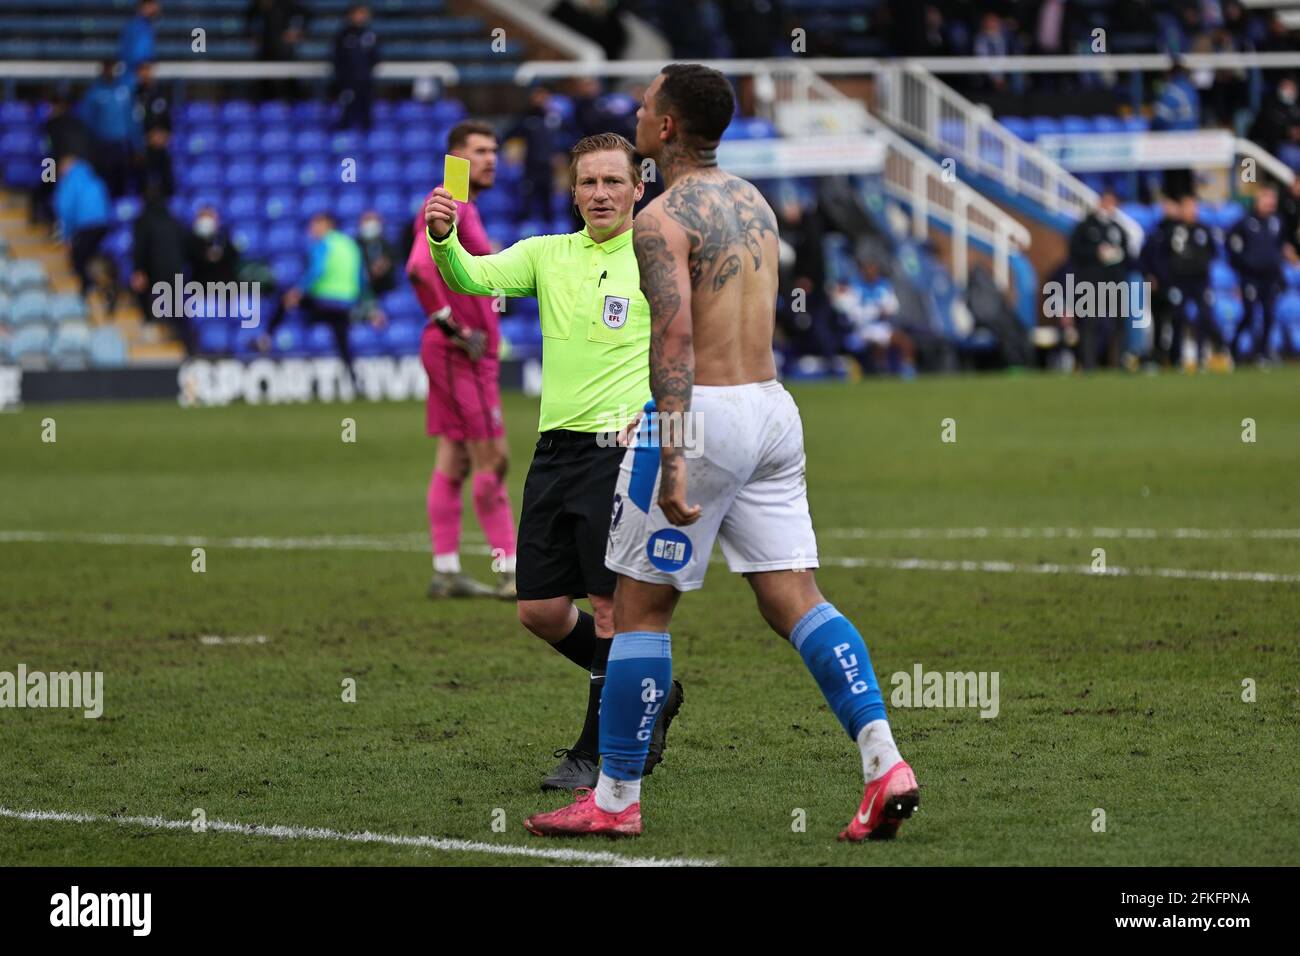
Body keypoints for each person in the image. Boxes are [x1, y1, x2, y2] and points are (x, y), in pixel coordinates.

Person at [524, 64, 917, 841]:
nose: (637, 112)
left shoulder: (659, 219)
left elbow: (673, 338)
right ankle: (884, 763)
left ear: (665, 127)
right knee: (794, 597)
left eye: (644, 106)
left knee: (639, 609)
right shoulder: (755, 203)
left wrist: (672, 455)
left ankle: (612, 803)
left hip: (703, 416)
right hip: (773, 409)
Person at [423, 131, 684, 792]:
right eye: (588, 183)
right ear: (573, 192)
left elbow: (688, 347)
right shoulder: (546, 253)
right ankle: (650, 690)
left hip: (618, 449)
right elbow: (473, 278)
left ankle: (593, 751)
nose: (599, 194)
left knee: (607, 608)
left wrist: (660, 413)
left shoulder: (657, 258)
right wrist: (444, 238)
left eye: (612, 182)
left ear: (637, 189)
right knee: (538, 609)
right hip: (556, 448)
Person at [406, 123, 516, 600]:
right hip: (459, 354)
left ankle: (447, 572)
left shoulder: (461, 205)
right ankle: (512, 569)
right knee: (494, 458)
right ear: (457, 158)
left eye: (494, 150)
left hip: (463, 354)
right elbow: (417, 267)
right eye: (480, 151)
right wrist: (454, 326)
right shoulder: (448, 202)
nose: (492, 158)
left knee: (454, 463)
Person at [260, 213, 366, 385]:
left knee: (284, 301)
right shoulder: (351, 244)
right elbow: (361, 276)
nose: (312, 229)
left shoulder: (324, 244)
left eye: (316, 225)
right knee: (343, 341)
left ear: (327, 225)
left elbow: (317, 270)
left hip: (323, 300)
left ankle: (266, 337)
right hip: (345, 303)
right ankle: (354, 380)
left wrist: (297, 291)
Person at [1163, 196, 1229, 372]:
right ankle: (1176, 359)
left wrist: (1200, 263)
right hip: (1179, 281)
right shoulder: (1173, 230)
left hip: (1200, 281)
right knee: (1177, 318)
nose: (1191, 211)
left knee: (1204, 317)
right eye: (1187, 208)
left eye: (1194, 208)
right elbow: (1165, 254)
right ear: (1181, 210)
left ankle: (1201, 358)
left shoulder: (1204, 230)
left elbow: (1214, 252)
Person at [1068, 188, 1132, 369]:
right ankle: (1088, 364)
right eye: (1106, 202)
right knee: (1089, 323)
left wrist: (1117, 254)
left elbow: (1128, 254)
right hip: (1091, 283)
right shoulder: (1085, 227)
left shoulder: (1118, 228)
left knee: (1118, 323)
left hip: (1114, 282)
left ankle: (1119, 362)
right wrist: (1096, 253)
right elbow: (1075, 252)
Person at [829, 256, 917, 378]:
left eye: (873, 269)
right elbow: (851, 312)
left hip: (880, 327)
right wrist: (872, 312)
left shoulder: (884, 285)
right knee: (877, 344)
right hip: (862, 328)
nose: (870, 272)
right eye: (868, 269)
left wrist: (882, 313)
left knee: (905, 341)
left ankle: (907, 370)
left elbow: (892, 307)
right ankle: (880, 370)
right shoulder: (854, 287)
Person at [1226, 187, 1286, 363]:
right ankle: (1234, 348)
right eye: (1266, 199)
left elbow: (1279, 246)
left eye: (1272, 200)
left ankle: (1264, 352)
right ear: (1258, 201)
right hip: (1250, 277)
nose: (1270, 204)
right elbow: (1232, 247)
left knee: (1269, 314)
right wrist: (1243, 266)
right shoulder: (1244, 223)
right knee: (1249, 314)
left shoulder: (1277, 222)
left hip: (1270, 276)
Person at [131, 184, 193, 353]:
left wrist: (139, 269)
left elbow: (141, 247)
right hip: (176, 268)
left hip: (154, 269)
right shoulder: (173, 220)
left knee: (150, 298)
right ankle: (185, 343)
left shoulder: (143, 220)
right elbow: (185, 244)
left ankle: (152, 327)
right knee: (176, 306)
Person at [53, 155, 112, 303]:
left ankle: (89, 288)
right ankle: (100, 287)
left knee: (78, 259)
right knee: (91, 256)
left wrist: (66, 236)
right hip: (103, 224)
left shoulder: (69, 182)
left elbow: (65, 209)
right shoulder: (95, 179)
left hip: (85, 225)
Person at [78, 61, 136, 197]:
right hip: (102, 145)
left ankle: (121, 212)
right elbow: (87, 121)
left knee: (121, 181)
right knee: (103, 182)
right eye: (108, 69)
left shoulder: (124, 92)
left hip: (121, 145)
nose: (111, 72)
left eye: (113, 69)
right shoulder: (94, 93)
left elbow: (131, 120)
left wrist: (136, 145)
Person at [332, 4, 380, 131]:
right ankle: (344, 139)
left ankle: (367, 140)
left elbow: (375, 57)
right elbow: (337, 58)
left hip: (365, 81)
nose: (360, 17)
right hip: (347, 82)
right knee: (346, 111)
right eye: (357, 14)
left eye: (362, 14)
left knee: (367, 113)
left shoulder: (370, 35)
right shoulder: (342, 35)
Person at [186, 206, 240, 285]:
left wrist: (220, 254)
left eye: (210, 216)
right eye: (203, 216)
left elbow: (234, 257)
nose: (206, 221)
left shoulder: (225, 238)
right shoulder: (191, 240)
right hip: (199, 288)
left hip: (225, 289)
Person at [119, 0, 161, 71]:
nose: (156, 8)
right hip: (134, 75)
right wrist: (144, 66)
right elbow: (137, 57)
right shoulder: (136, 27)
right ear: (143, 6)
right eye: (152, 5)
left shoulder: (147, 26)